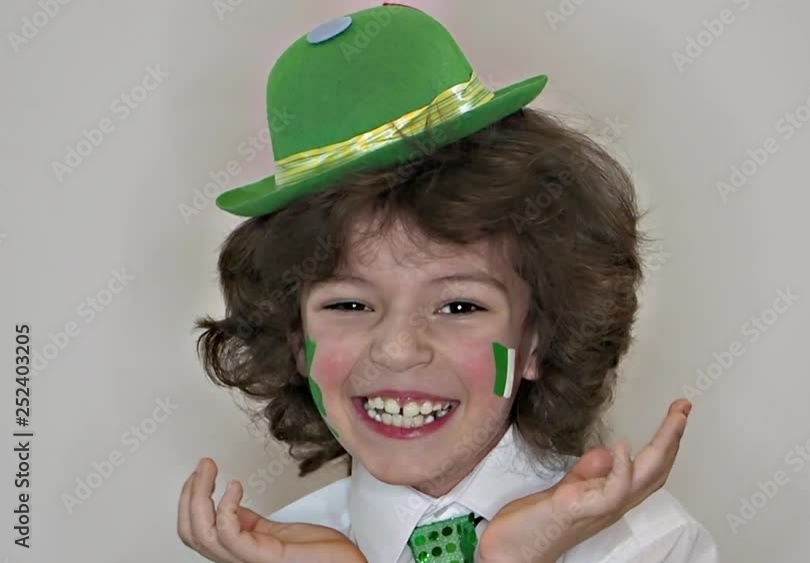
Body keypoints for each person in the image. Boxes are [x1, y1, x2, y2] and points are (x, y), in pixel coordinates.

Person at [176, 4, 718, 562]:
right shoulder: (266, 552)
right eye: (349, 304)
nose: (396, 350)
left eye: (459, 306)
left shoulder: (649, 544)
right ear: (295, 341)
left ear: (536, 337)